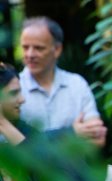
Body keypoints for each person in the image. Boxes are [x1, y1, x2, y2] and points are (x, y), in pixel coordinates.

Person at [19, 16, 106, 145]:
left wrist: (36, 141)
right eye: (25, 47)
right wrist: (72, 133)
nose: (30, 55)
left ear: (57, 50)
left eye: (39, 48)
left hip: (76, 165)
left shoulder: (76, 85)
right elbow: (10, 148)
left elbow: (97, 140)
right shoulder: (11, 89)